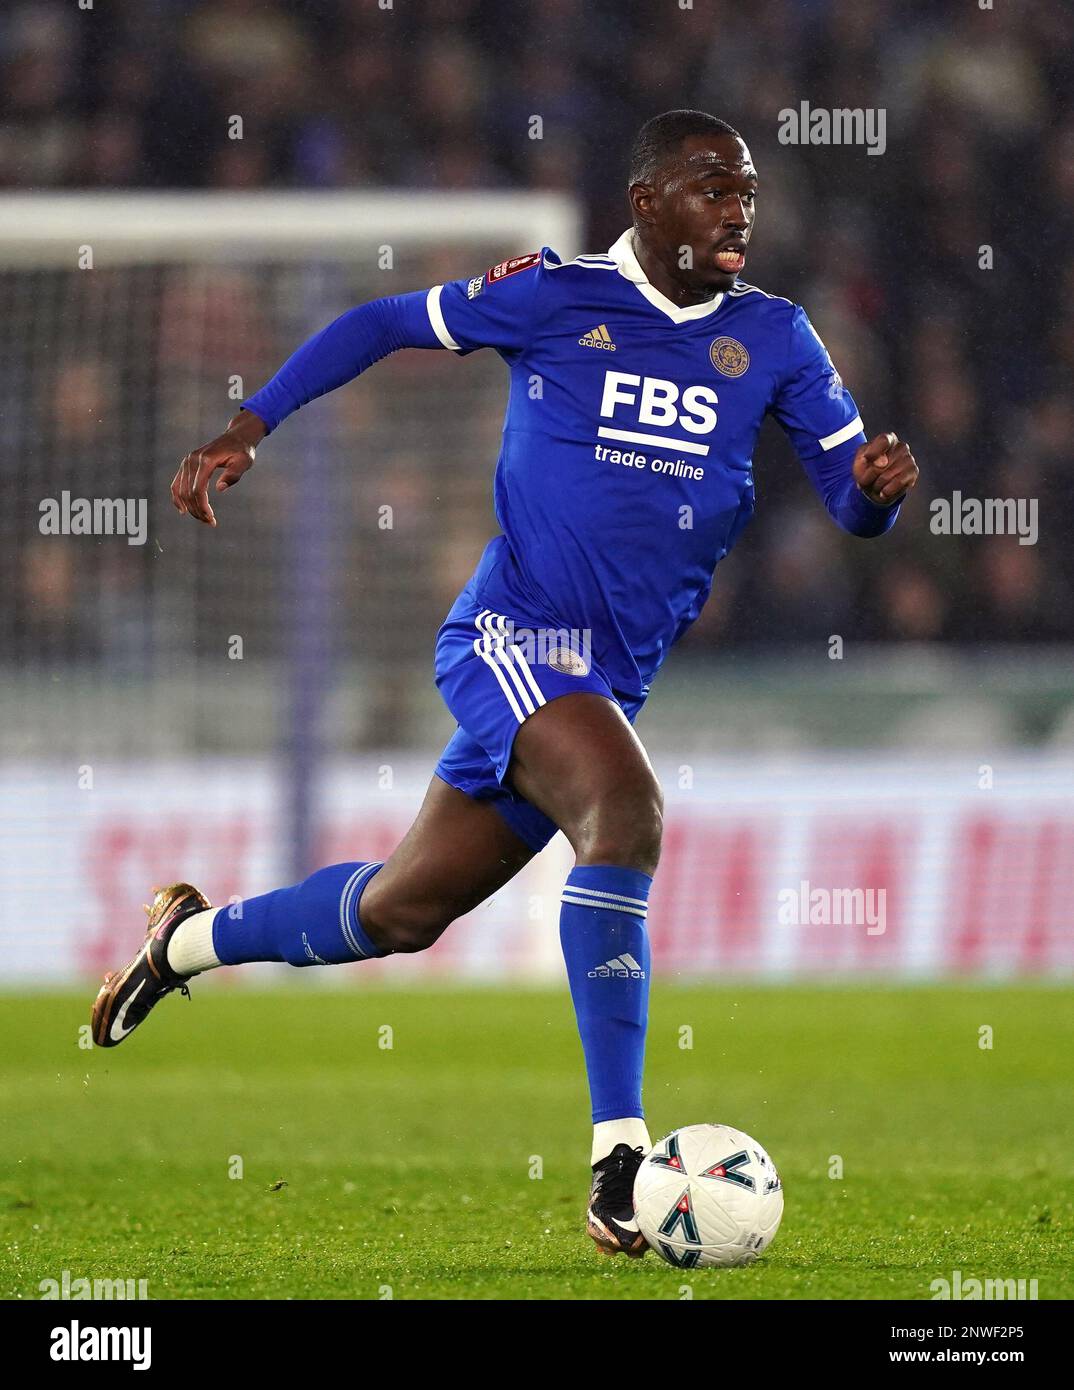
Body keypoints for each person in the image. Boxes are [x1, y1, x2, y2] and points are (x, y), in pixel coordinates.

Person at [91, 110, 918, 1258]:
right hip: (508, 636)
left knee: (400, 910)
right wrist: (247, 425)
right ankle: (618, 1163)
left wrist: (877, 491)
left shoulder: (777, 339)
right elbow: (385, 321)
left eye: (749, 190)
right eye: (712, 186)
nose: (739, 207)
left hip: (603, 685)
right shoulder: (553, 295)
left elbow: (850, 503)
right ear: (646, 202)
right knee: (626, 813)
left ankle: (182, 942)